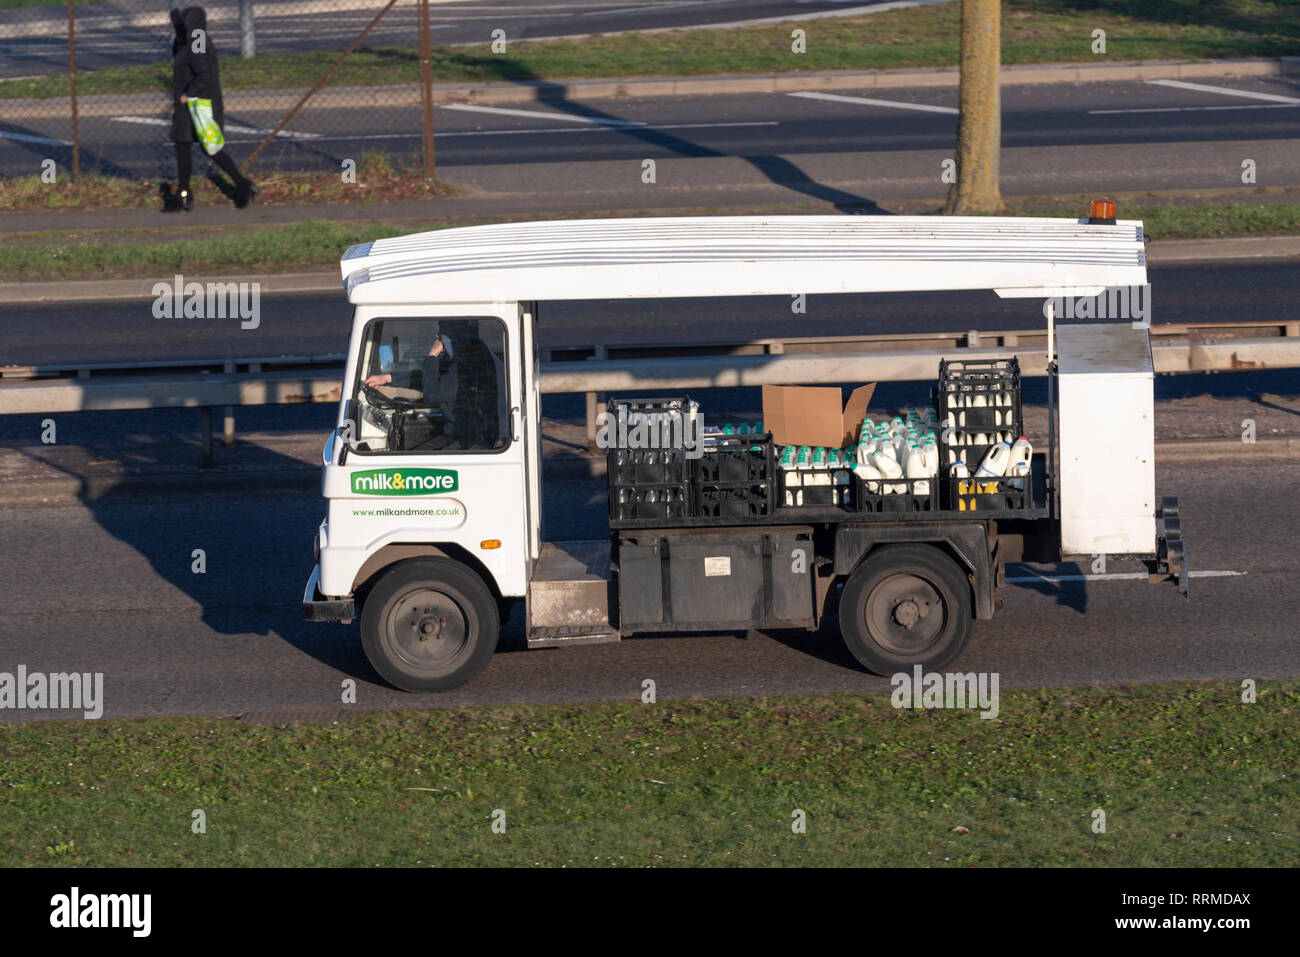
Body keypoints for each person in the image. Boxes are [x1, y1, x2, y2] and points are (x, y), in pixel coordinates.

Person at [165, 6, 258, 212]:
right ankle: (184, 193)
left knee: (210, 148)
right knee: (183, 146)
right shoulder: (189, 39)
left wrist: (188, 94)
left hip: (198, 104)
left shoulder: (198, 39)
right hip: (188, 106)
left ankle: (243, 185)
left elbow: (204, 74)